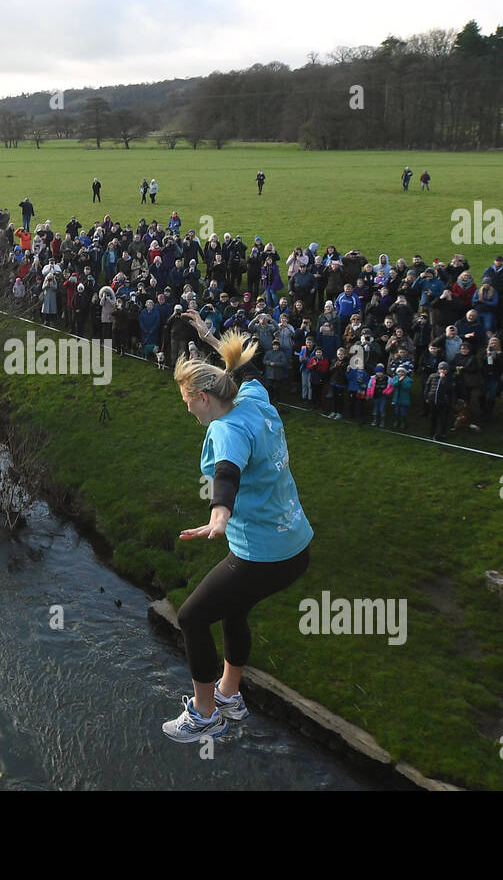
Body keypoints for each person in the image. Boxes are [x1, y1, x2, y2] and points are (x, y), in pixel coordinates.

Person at [164, 315, 314, 743]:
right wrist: (208, 335)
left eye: (188, 400)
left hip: (265, 555)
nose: (187, 407)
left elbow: (227, 474)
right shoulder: (252, 397)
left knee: (192, 616)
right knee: (233, 609)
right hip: (294, 544)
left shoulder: (227, 430)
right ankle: (229, 695)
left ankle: (205, 714)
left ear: (206, 398)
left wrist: (219, 516)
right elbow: (244, 368)